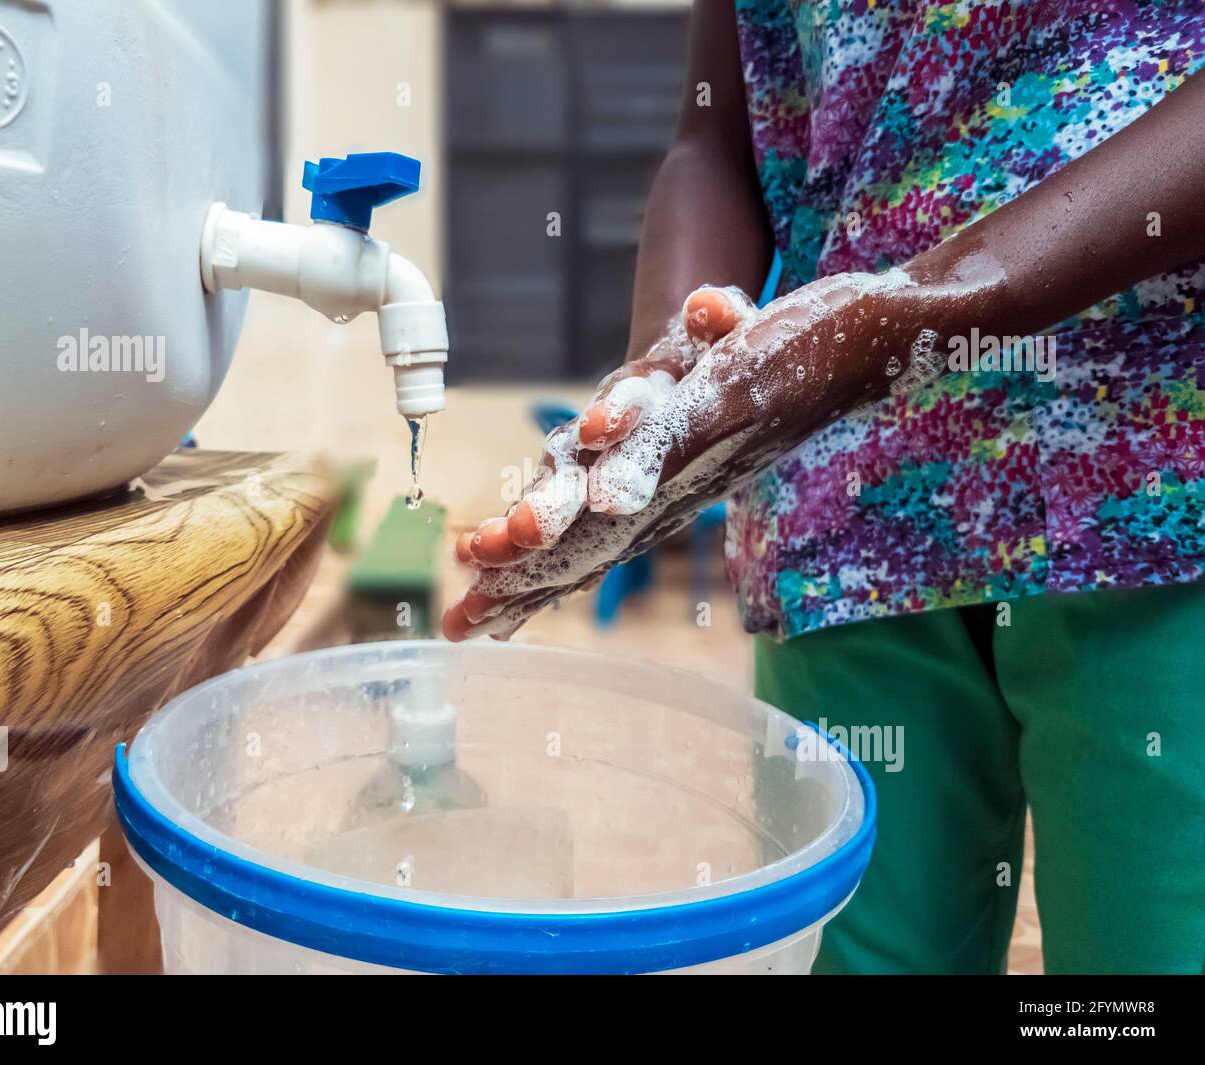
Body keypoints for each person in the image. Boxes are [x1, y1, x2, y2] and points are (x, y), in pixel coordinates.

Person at [444, 0, 1205, 974]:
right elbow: (715, 136)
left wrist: (921, 306)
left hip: (1150, 480)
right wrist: (667, 374)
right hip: (843, 521)